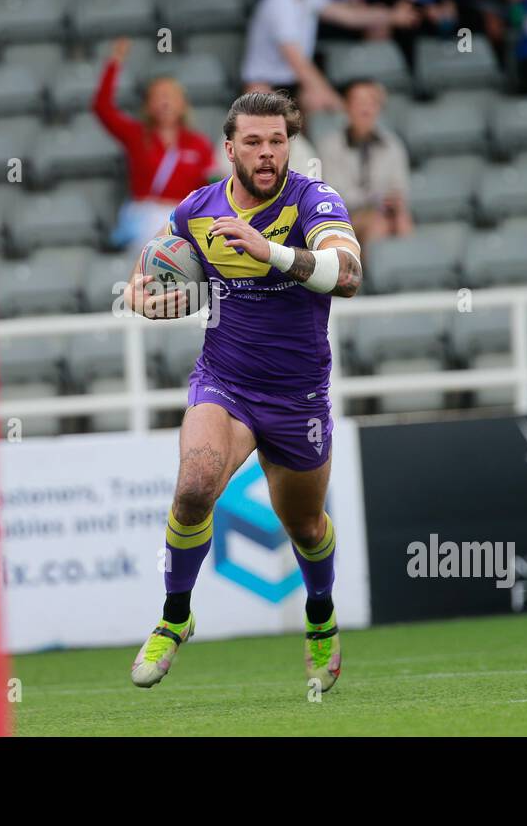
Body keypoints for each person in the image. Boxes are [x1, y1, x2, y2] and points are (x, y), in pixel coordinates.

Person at [123, 90, 362, 690]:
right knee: (195, 486)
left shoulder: (313, 199)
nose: (266, 154)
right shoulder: (198, 208)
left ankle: (321, 616)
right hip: (224, 381)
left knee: (305, 526)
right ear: (229, 148)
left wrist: (273, 253)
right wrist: (145, 300)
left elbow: (350, 275)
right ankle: (175, 619)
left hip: (299, 396)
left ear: (290, 146)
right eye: (252, 142)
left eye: (276, 142)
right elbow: (142, 274)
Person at [242, 0, 416, 114]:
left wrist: (392, 16)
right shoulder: (280, 1)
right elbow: (298, 62)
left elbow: (351, 16)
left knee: (316, 100)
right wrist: (336, 101)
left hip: (294, 83)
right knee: (309, 100)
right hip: (266, 83)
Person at [93, 37, 214, 250]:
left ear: (183, 104)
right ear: (148, 106)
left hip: (183, 220)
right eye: (158, 96)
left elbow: (209, 190)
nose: (165, 101)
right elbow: (102, 108)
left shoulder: (198, 144)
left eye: (170, 96)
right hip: (144, 220)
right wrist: (115, 62)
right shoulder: (137, 135)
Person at [316, 79, 413, 243]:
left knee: (402, 219)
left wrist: (393, 201)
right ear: (346, 106)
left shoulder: (392, 144)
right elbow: (334, 196)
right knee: (379, 224)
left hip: (384, 213)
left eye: (372, 102)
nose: (366, 109)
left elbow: (400, 187)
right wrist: (376, 198)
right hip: (343, 217)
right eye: (359, 102)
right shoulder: (329, 146)